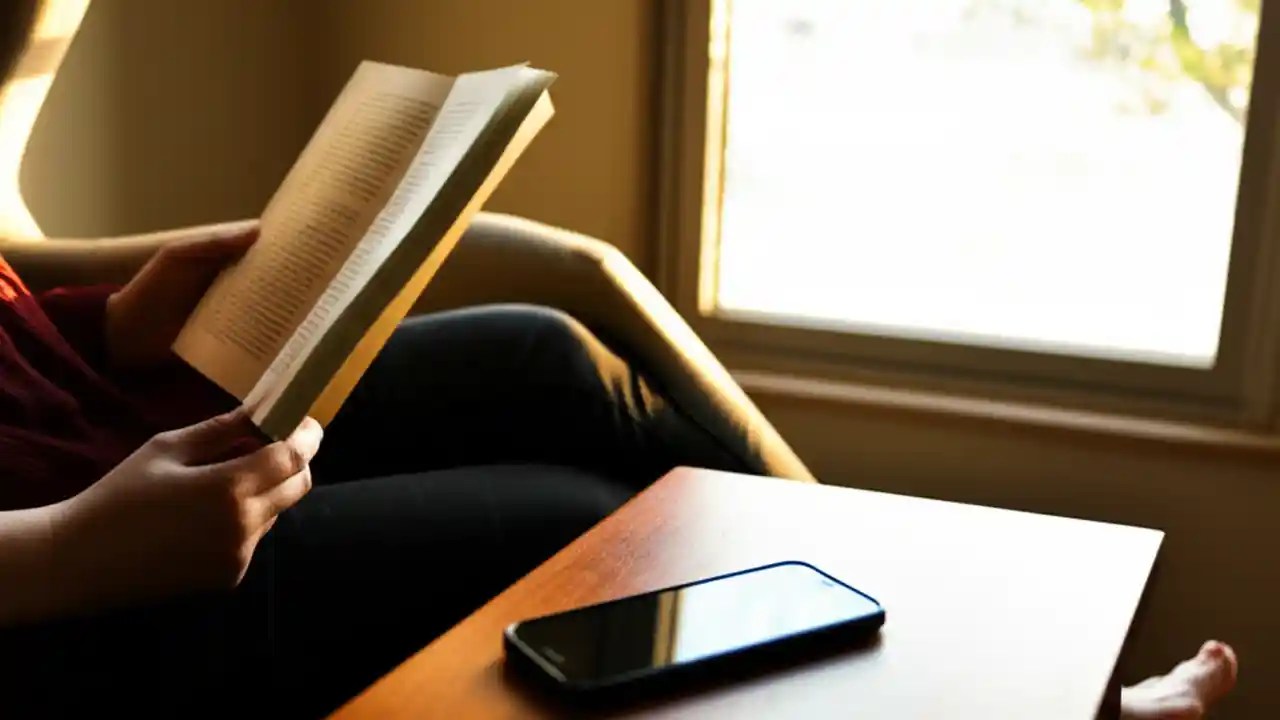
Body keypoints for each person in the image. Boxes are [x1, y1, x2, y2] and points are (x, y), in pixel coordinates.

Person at [0, 2, 1238, 718]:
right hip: (65, 566)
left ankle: (1000, 686)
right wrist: (59, 552)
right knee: (585, 533)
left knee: (551, 359)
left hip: (78, 405)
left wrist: (100, 327)